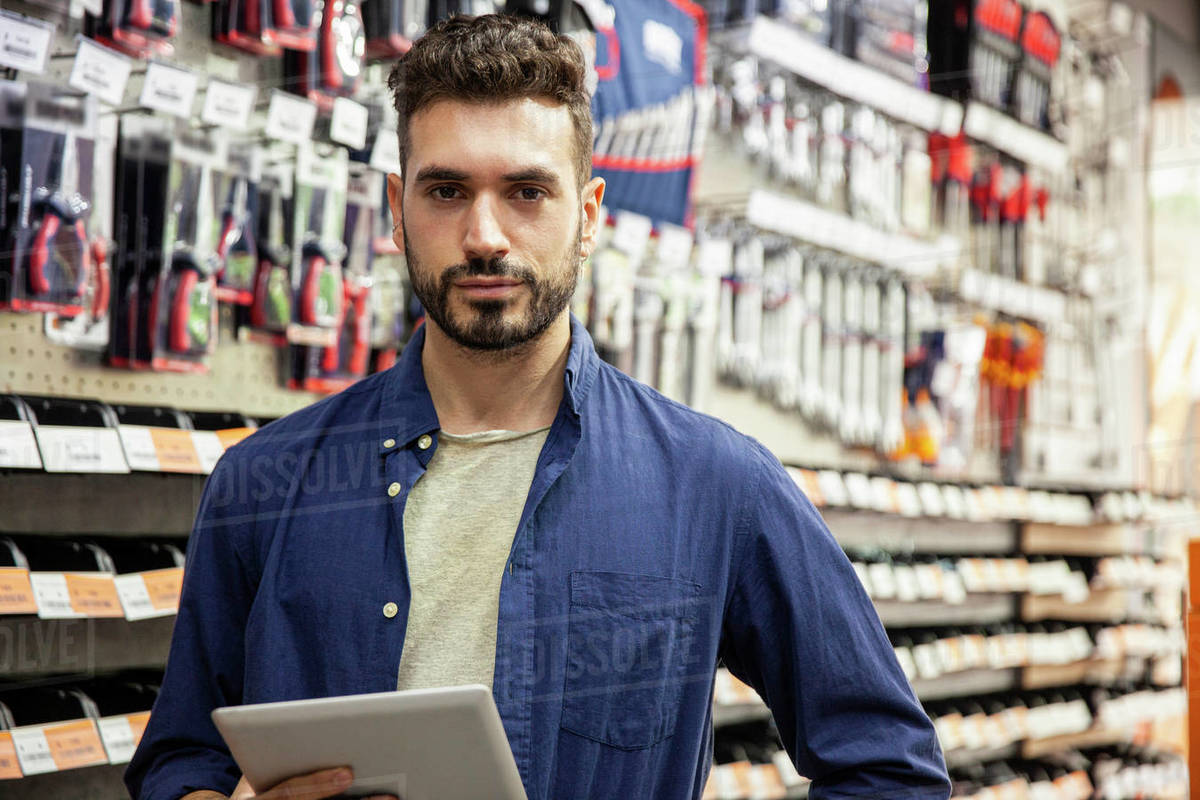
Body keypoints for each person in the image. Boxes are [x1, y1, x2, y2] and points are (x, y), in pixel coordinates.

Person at [126, 13, 951, 800]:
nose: (485, 235)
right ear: (396, 213)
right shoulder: (263, 483)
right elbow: (181, 757)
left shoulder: (717, 486)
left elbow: (889, 768)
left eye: (526, 192)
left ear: (587, 218)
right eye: (446, 191)